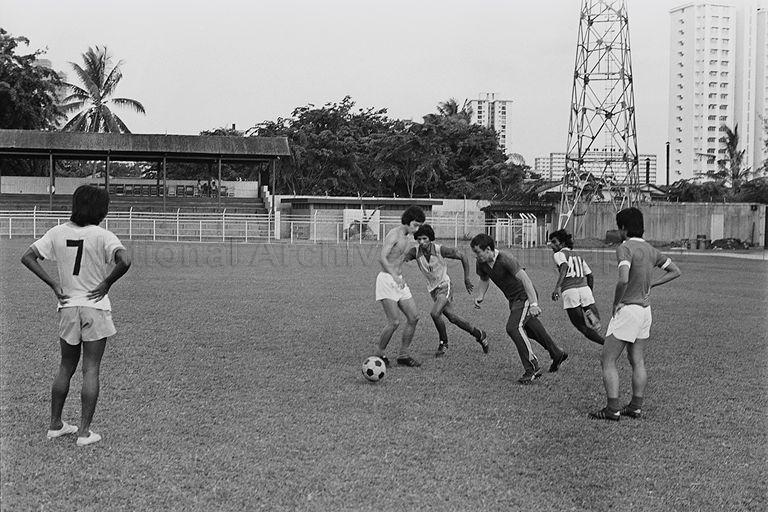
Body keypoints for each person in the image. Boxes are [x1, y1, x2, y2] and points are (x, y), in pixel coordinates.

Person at [21, 185, 131, 446]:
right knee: (91, 368)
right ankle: (84, 432)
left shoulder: (57, 232)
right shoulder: (103, 235)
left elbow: (28, 257)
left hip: (68, 306)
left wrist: (53, 284)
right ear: (100, 210)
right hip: (95, 308)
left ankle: (55, 425)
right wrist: (106, 283)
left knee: (65, 366)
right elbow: (125, 260)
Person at [590, 207, 681, 421]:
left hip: (628, 309)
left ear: (623, 228)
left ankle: (612, 409)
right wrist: (652, 285)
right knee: (636, 360)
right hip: (645, 311)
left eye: (618, 227)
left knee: (608, 359)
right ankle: (636, 407)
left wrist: (616, 303)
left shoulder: (625, 248)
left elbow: (623, 279)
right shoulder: (651, 250)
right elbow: (675, 271)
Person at [470, 234, 568, 384]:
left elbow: (525, 279)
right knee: (531, 330)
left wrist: (534, 304)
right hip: (514, 300)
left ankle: (532, 367)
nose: (476, 256)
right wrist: (480, 295)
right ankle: (557, 353)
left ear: (488, 249)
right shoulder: (481, 263)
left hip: (524, 296)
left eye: (478, 252)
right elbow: (484, 279)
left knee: (513, 327)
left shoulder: (505, 259)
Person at [403, 224, 488, 357]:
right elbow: (402, 259)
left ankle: (444, 343)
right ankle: (479, 334)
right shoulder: (415, 252)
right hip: (433, 290)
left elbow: (463, 256)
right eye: (419, 239)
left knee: (435, 313)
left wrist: (466, 279)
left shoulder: (440, 250)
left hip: (444, 286)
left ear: (430, 238)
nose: (422, 242)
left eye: (425, 238)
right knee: (452, 318)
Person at [374, 205, 425, 367]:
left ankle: (403, 355)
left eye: (419, 226)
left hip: (399, 281)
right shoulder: (394, 234)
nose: (416, 229)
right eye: (415, 225)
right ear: (408, 221)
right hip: (387, 280)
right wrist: (394, 276)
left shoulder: (408, 237)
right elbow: (382, 258)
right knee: (394, 322)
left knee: (414, 317)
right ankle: (379, 354)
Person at [549, 229, 605, 345]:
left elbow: (564, 266)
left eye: (554, 242)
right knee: (595, 321)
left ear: (562, 243)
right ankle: (588, 310)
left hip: (570, 291)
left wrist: (556, 288)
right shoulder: (578, 256)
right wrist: (589, 292)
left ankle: (606, 344)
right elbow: (590, 275)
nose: (551, 245)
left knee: (582, 327)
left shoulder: (558, 254)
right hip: (584, 289)